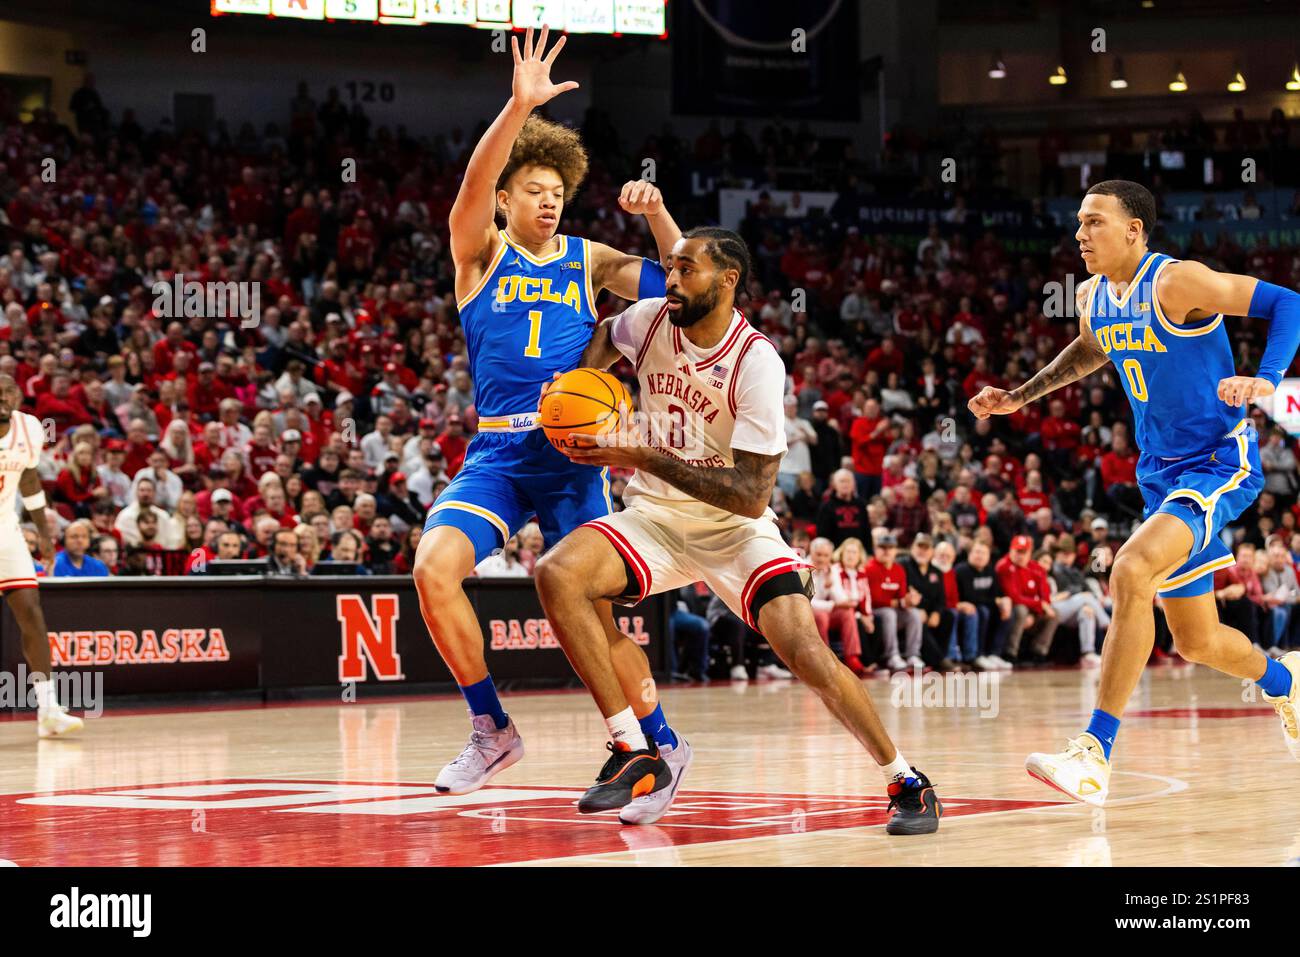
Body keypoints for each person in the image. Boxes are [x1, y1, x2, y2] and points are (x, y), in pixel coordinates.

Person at [536, 228, 941, 833]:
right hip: (655, 518)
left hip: (734, 529)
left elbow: (751, 497)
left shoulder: (756, 361)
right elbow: (601, 335)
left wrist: (642, 454)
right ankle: (633, 748)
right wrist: (582, 389)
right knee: (557, 574)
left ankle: (907, 781)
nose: (671, 281)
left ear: (728, 280)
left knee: (805, 652)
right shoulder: (647, 320)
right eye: (669, 269)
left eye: (687, 271)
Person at [412, 27, 685, 797]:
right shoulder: (480, 252)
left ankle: (658, 743)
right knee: (433, 571)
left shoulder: (590, 258)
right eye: (533, 188)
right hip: (498, 453)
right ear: (505, 198)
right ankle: (491, 730)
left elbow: (680, 284)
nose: (548, 199)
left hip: (575, 454)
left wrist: (659, 214)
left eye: (557, 191)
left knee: (597, 620)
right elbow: (470, 186)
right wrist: (518, 106)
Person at [970, 179, 1300, 804]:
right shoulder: (1093, 295)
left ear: (1134, 230)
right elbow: (1092, 351)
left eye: (1094, 222)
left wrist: (1265, 380)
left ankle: (1094, 754)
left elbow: (1288, 302)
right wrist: (1018, 397)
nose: (1080, 234)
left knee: (1129, 570)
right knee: (1196, 640)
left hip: (1215, 462)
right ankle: (1287, 680)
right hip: (1159, 475)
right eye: (1078, 223)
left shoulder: (1178, 282)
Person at [0, 375, 82, 736]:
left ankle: (48, 710)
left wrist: (45, 534)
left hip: (7, 532)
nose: (3, 397)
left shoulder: (29, 426)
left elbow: (29, 478)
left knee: (31, 611)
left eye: (9, 391)